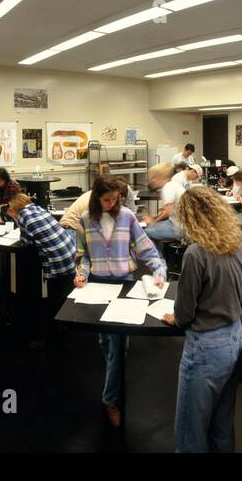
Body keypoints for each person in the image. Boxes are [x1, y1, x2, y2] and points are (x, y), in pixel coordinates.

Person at [72, 175, 167, 428]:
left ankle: (110, 400)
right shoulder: (85, 220)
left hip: (124, 283)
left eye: (115, 199)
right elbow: (81, 256)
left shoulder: (127, 216)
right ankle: (115, 374)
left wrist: (159, 270)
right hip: (97, 286)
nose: (112, 204)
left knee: (117, 345)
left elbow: (146, 248)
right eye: (107, 199)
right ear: (96, 198)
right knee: (106, 341)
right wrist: (81, 273)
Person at [160, 188, 242, 453]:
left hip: (207, 348)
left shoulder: (196, 253)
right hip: (234, 337)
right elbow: (241, 294)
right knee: (221, 427)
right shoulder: (238, 242)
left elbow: (185, 311)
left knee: (190, 433)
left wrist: (177, 319)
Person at [7, 193, 78, 349]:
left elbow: (26, 243)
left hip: (57, 262)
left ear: (14, 208)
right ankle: (69, 330)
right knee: (65, 295)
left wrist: (15, 219)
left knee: (53, 300)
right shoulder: (39, 209)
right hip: (70, 256)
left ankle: (51, 339)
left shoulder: (23, 216)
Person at [143, 162, 187, 240]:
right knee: (153, 227)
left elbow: (167, 212)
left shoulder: (168, 188)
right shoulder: (173, 185)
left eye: (152, 178)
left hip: (179, 228)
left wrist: (153, 222)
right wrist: (154, 219)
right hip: (180, 223)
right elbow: (170, 210)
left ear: (159, 177)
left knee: (145, 233)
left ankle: (155, 252)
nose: (150, 182)